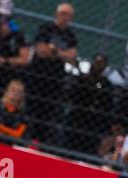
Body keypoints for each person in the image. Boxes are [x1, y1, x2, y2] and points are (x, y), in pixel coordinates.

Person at [27, 3, 78, 145]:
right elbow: (41, 51)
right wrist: (62, 54)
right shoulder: (46, 28)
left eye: (68, 15)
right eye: (63, 13)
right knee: (31, 110)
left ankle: (40, 143)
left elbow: (72, 57)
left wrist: (54, 51)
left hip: (55, 81)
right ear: (56, 14)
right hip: (37, 77)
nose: (65, 17)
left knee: (48, 114)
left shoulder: (70, 35)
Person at [66, 53, 114, 154]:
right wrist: (86, 82)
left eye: (102, 64)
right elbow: (72, 96)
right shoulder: (81, 79)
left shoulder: (105, 84)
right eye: (97, 63)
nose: (99, 66)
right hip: (77, 117)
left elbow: (106, 103)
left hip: (94, 121)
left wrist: (98, 87)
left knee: (89, 147)